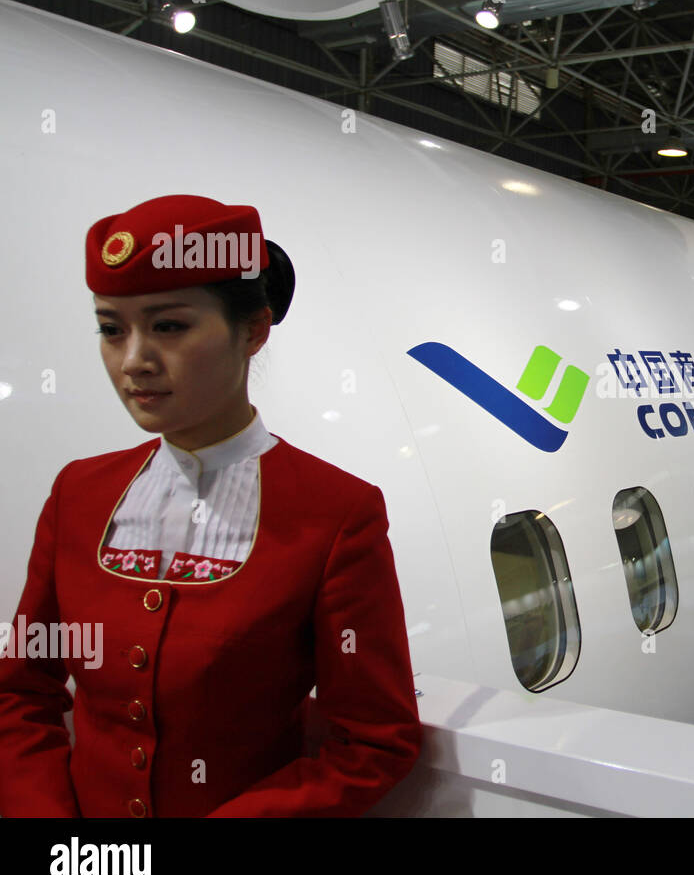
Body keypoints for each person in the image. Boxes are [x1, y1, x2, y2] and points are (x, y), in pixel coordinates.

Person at [0, 194, 422, 817]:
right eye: (112, 329)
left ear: (252, 330)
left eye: (169, 326)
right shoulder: (79, 495)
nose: (134, 361)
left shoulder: (336, 515)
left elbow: (373, 740)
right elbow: (23, 689)